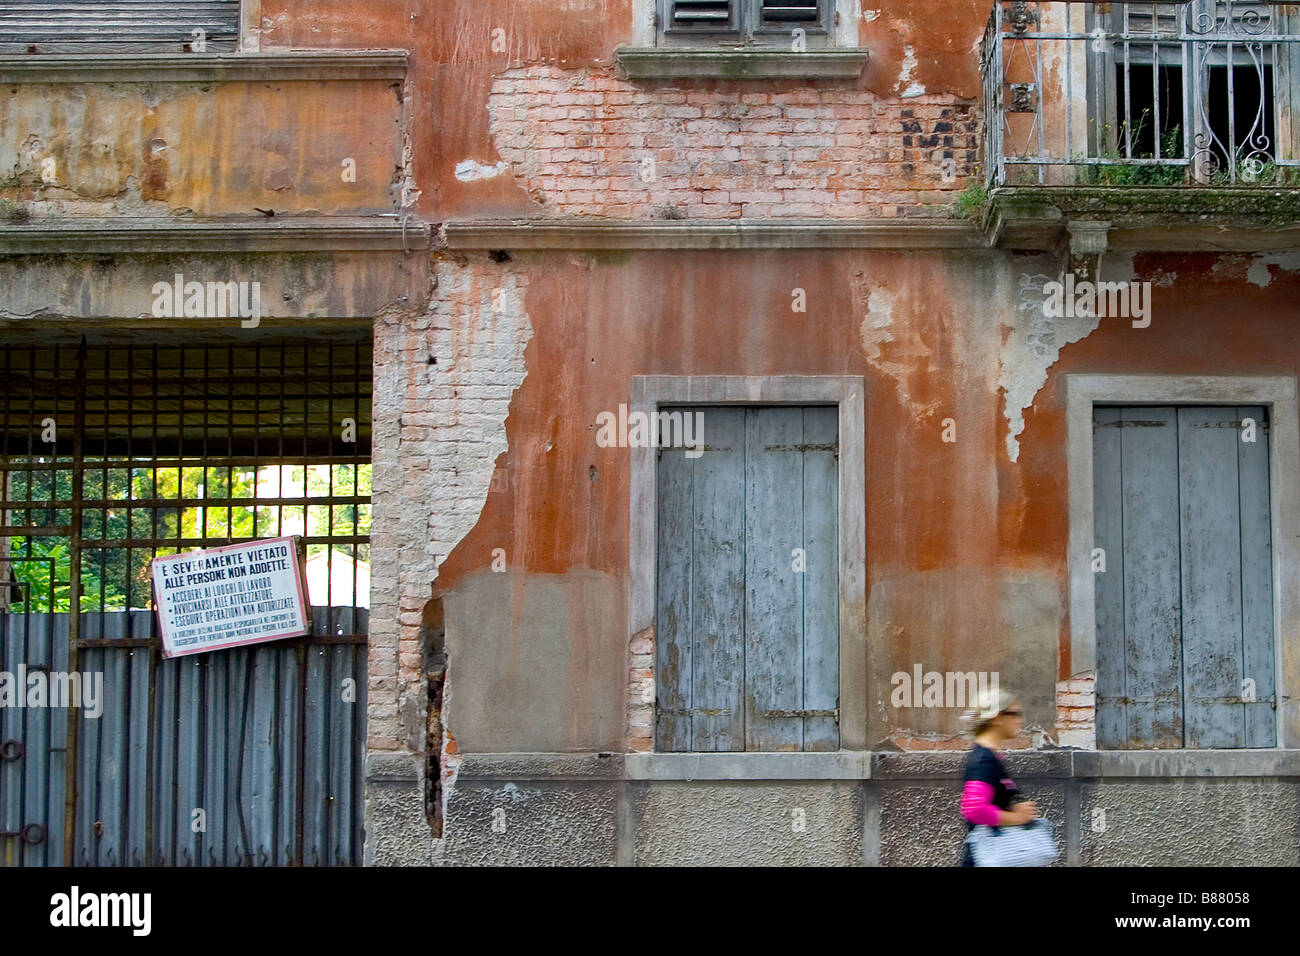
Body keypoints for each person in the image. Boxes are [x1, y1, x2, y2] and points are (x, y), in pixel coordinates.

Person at [959, 688, 1038, 866]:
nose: (1021, 720)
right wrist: (1018, 818)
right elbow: (974, 809)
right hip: (985, 858)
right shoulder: (983, 759)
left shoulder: (991, 756)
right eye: (1014, 714)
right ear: (996, 718)